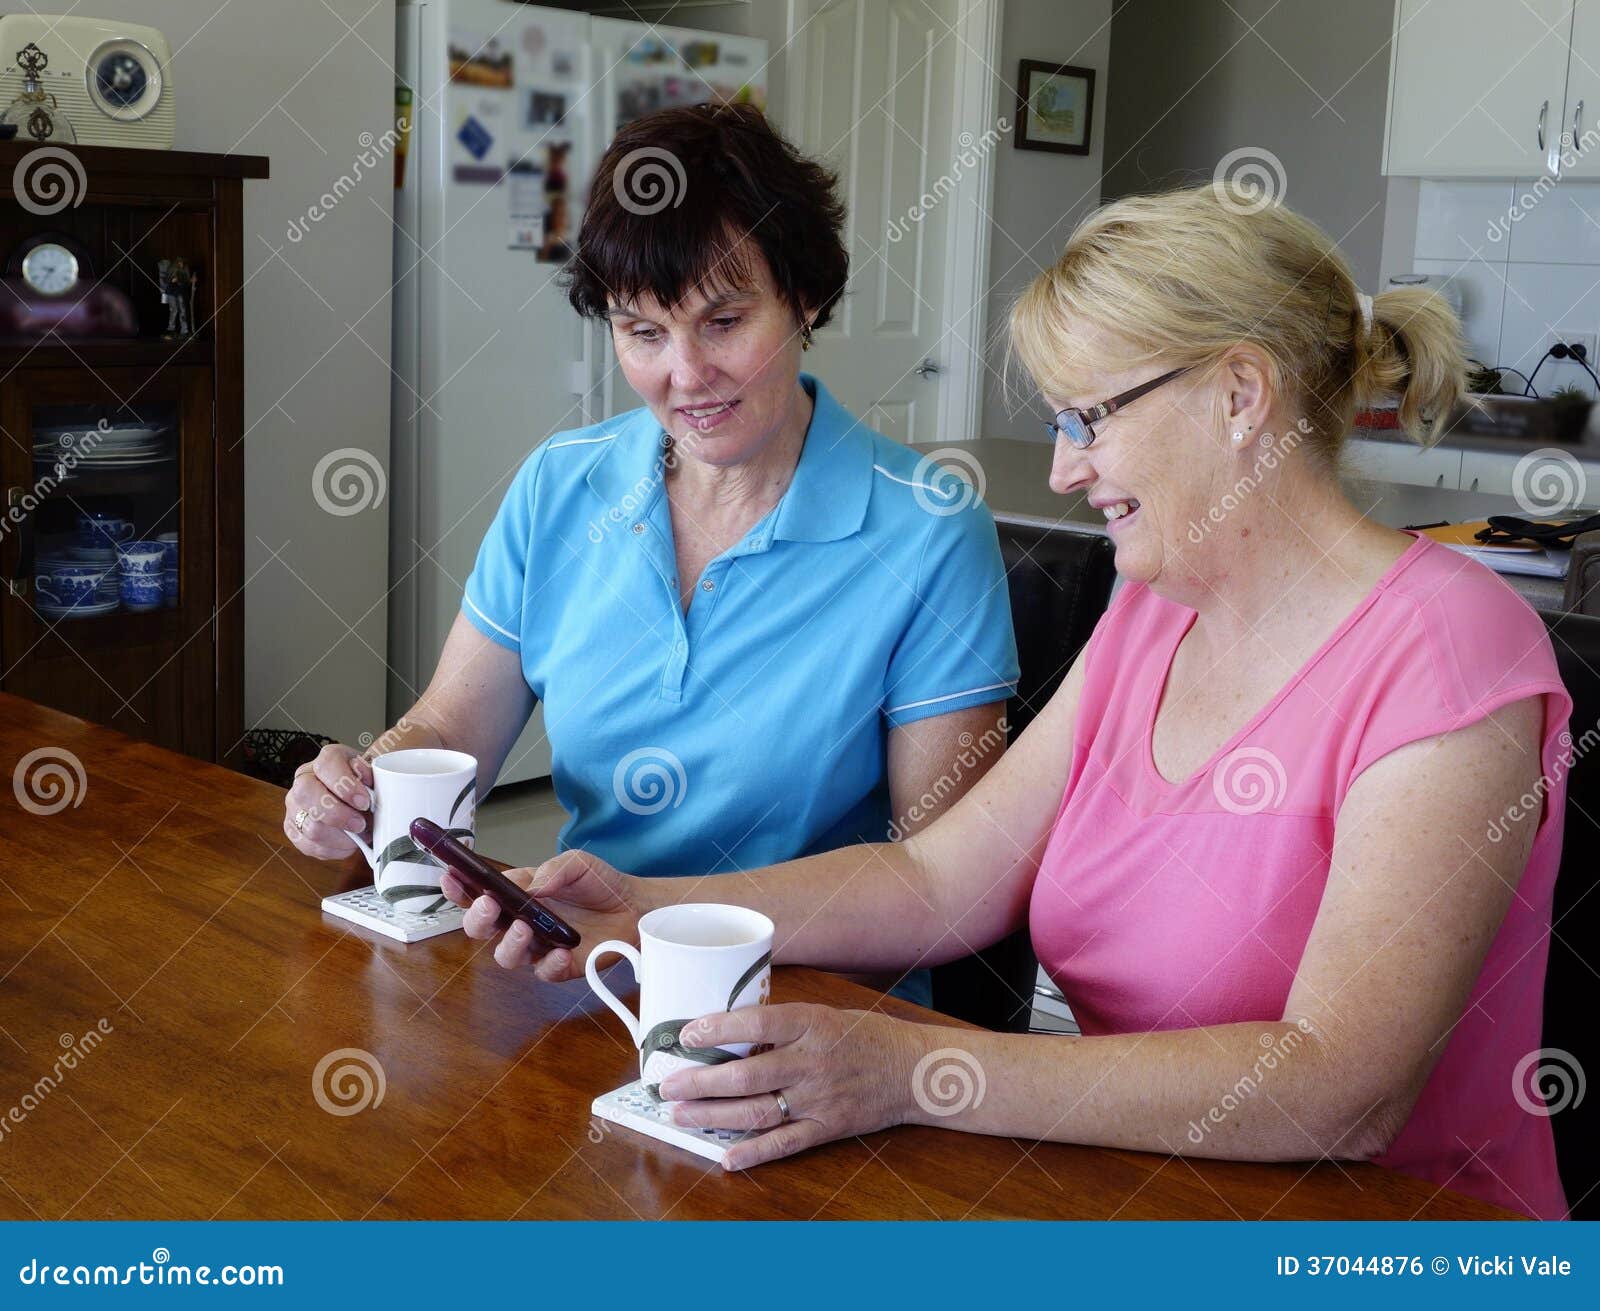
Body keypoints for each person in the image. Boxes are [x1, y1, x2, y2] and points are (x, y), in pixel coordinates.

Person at [445, 182, 1574, 1219]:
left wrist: (911, 1075)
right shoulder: (1154, 617)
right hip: (1141, 1196)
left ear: (1240, 395)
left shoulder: (1447, 647)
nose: (1063, 469)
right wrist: (645, 906)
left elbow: (1339, 1089)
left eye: (1089, 418)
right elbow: (941, 878)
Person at [284, 104, 1020, 1006]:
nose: (685, 374)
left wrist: (657, 915)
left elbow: (942, 882)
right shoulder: (562, 488)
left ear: (807, 296)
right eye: (643, 333)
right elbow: (448, 731)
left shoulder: (929, 531)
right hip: (579, 978)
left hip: (803, 1008)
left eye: (724, 322)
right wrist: (362, 781)